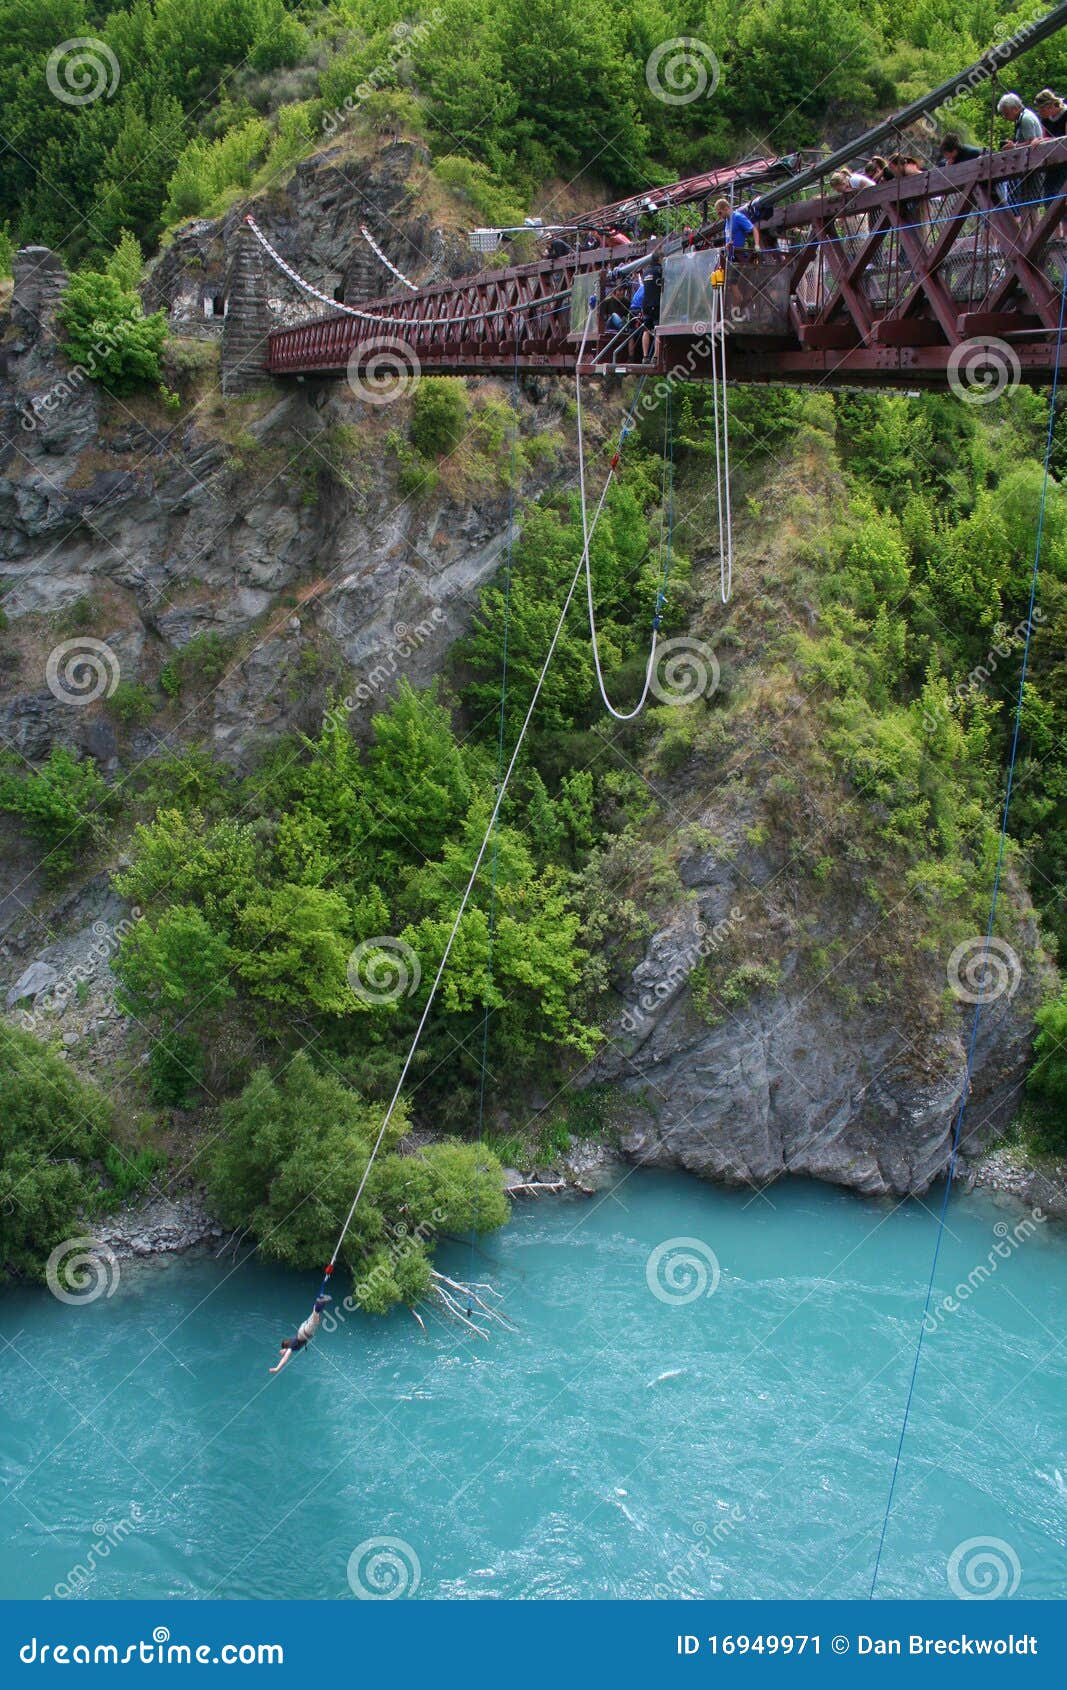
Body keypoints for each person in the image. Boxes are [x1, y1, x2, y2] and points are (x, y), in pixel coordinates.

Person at [998, 91, 1043, 213]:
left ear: (1015, 108)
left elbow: (1032, 141)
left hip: (1033, 166)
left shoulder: (1026, 119)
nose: (1005, 117)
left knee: (1029, 203)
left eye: (1006, 113)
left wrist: (1013, 146)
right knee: (1025, 202)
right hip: (1027, 166)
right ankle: (1029, 225)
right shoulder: (1022, 118)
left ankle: (1031, 225)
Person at [268, 1294, 331, 1373]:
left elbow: (285, 1358)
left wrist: (277, 1368)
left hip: (305, 1332)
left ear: (286, 1347)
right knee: (315, 1314)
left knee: (315, 1315)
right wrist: (285, 1349)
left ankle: (321, 1301)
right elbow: (287, 1350)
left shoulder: (291, 1346)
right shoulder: (292, 1342)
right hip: (303, 1327)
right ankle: (321, 1300)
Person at [1035, 89, 1067, 202]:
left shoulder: (1065, 114)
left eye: (1041, 110)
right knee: (1049, 195)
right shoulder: (1046, 120)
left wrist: (1047, 140)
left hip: (1065, 158)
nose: (1040, 113)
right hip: (1052, 160)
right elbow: (1044, 137)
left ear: (1049, 106)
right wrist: (1038, 141)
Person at [640, 259, 663, 362]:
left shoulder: (645, 272)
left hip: (646, 304)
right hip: (656, 303)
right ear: (659, 259)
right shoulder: (660, 270)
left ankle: (645, 356)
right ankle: (656, 356)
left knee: (646, 330)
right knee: (657, 329)